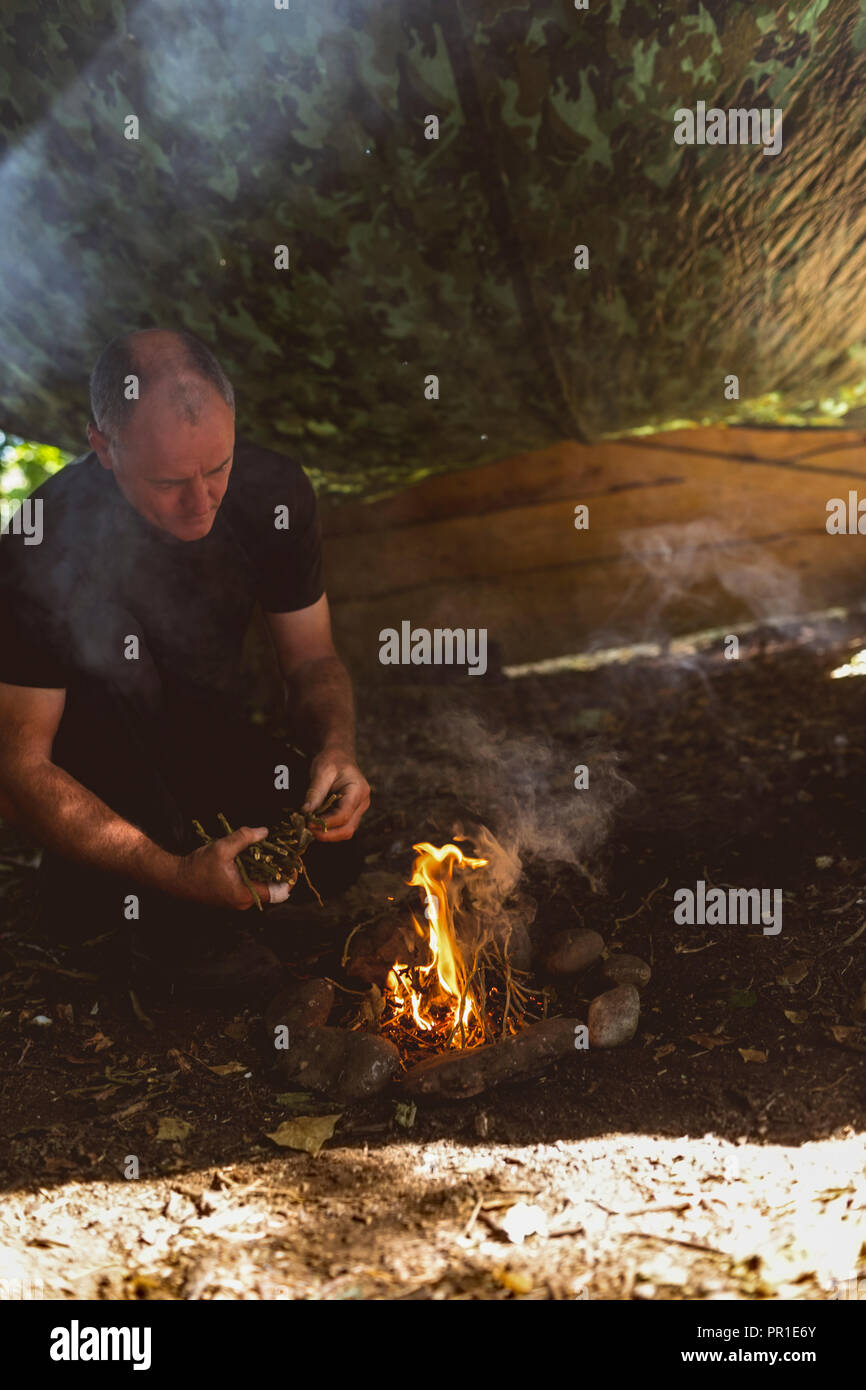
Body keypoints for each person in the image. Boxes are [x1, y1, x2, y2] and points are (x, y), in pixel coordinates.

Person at [0, 328, 370, 998]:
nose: (201, 500)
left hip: (203, 738)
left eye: (217, 468)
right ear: (105, 448)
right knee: (114, 669)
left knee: (337, 850)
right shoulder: (41, 538)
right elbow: (19, 767)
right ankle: (149, 910)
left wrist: (337, 748)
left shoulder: (273, 494)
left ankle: (214, 883)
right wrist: (171, 873)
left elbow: (313, 659)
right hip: (101, 776)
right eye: (170, 481)